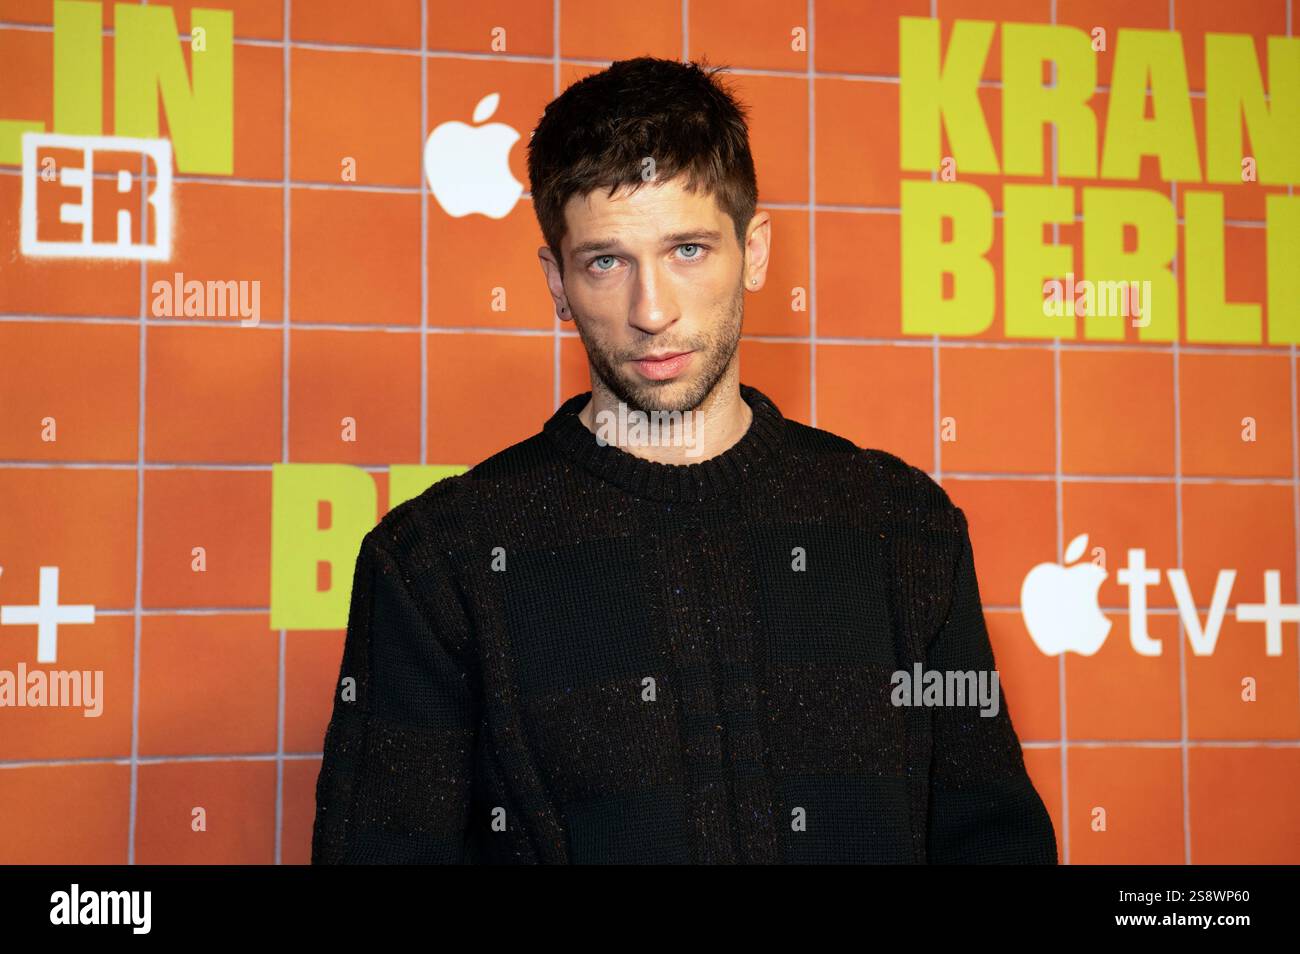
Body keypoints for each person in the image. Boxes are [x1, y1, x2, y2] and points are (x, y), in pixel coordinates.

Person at [312, 55, 1057, 864]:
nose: (652, 309)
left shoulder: (903, 529)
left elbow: (996, 846)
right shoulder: (437, 564)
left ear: (755, 249)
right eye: (606, 261)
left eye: (689, 250)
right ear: (556, 282)